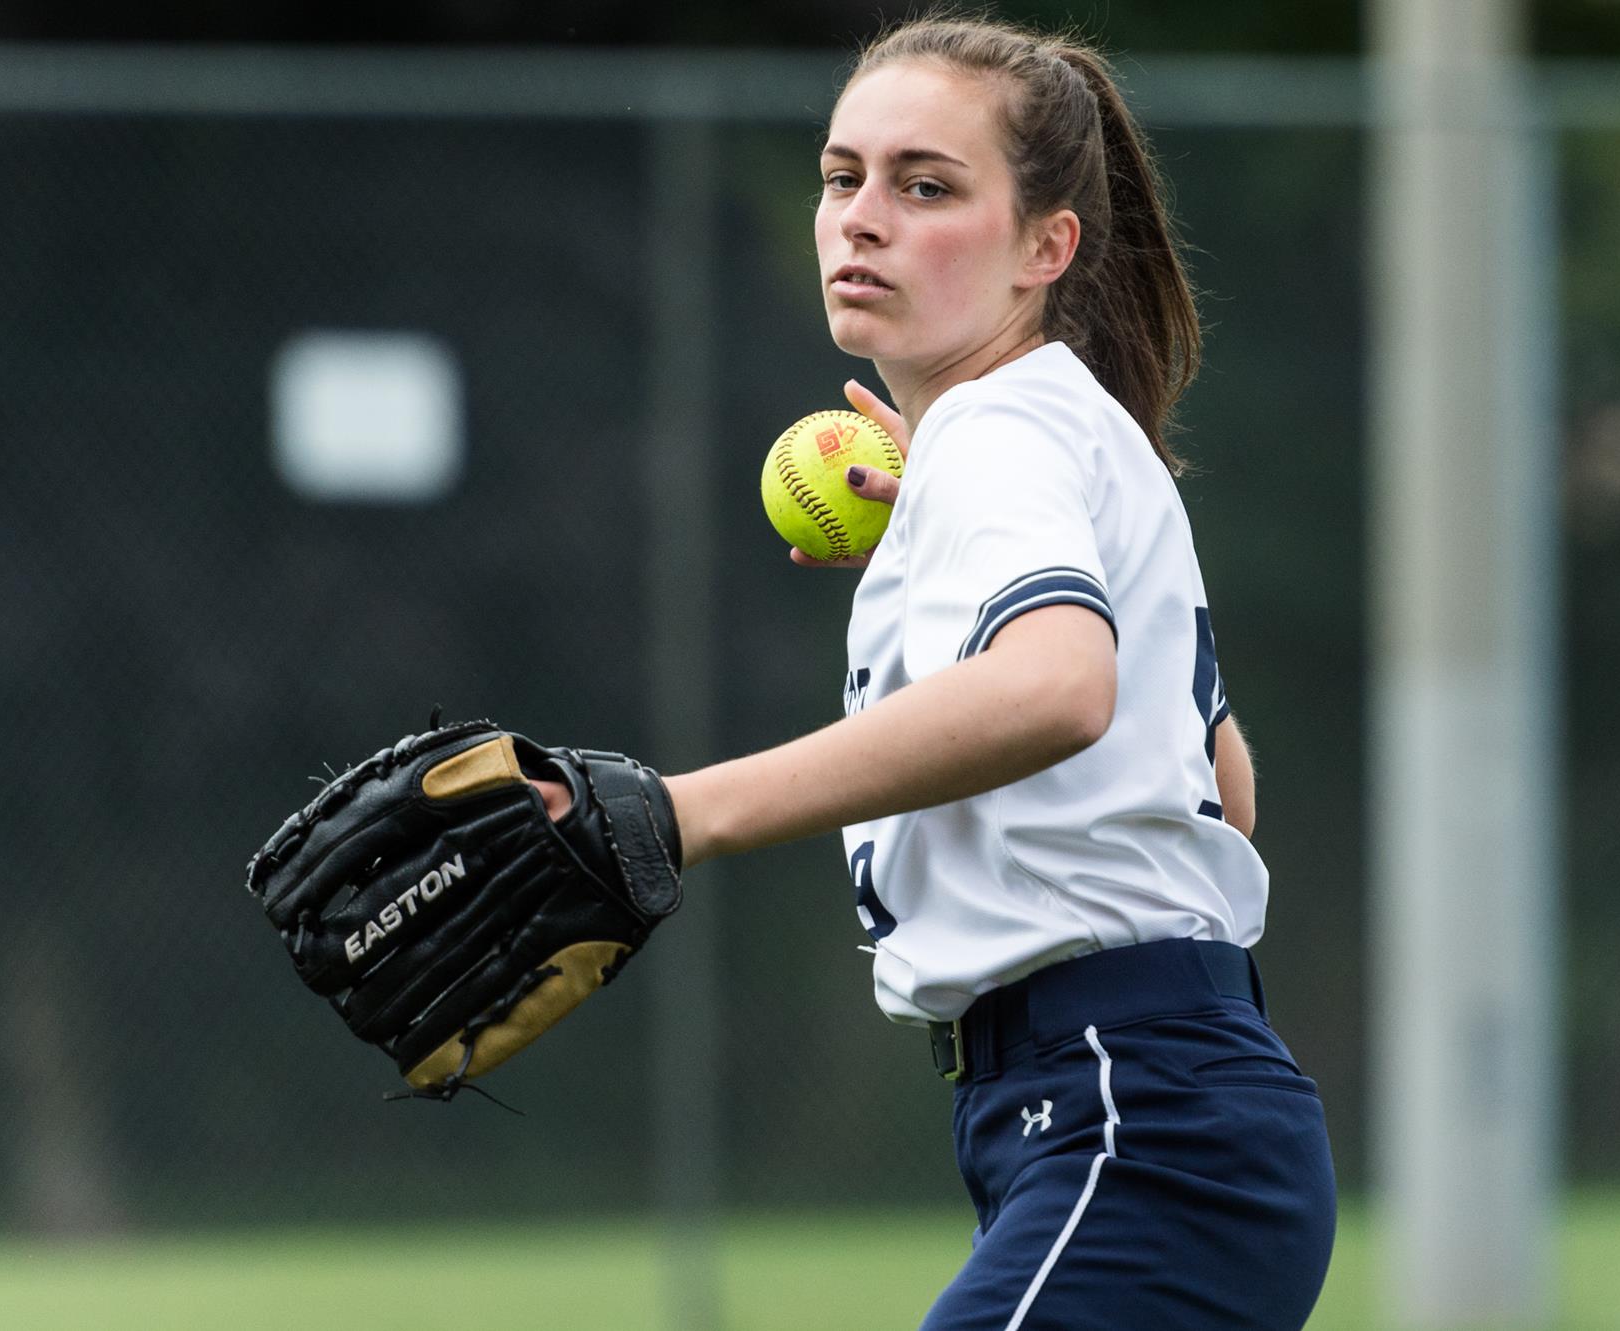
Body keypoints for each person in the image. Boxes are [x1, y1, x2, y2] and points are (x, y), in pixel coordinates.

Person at [530, 14, 1336, 1329]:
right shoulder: (1064, 432)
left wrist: (681, 812)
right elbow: (1221, 797)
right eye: (842, 176)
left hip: (1133, 1119)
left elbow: (1060, 689)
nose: (862, 218)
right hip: (1147, 1109)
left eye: (926, 186)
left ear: (1045, 248)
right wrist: (949, 553)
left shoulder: (1000, 434)